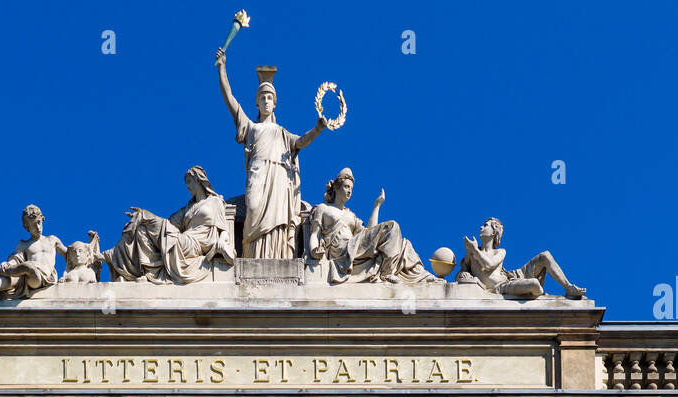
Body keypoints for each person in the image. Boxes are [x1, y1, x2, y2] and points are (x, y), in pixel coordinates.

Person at [216, 48, 326, 258]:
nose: (266, 101)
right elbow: (230, 99)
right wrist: (222, 68)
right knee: (253, 207)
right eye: (263, 98)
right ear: (257, 103)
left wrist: (317, 129)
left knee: (278, 220)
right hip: (258, 172)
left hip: (279, 176)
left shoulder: (282, 133)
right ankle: (252, 255)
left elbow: (301, 142)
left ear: (275, 104)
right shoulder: (251, 128)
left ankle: (278, 257)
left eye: (270, 98)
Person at [105, 166, 235, 284]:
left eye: (189, 181)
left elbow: (224, 230)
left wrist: (222, 241)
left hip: (194, 245)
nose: (187, 186)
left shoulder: (215, 202)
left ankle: (142, 215)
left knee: (149, 221)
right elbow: (168, 223)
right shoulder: (188, 209)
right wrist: (149, 222)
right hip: (183, 240)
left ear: (198, 180)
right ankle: (148, 273)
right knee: (142, 229)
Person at [307, 168, 438, 284]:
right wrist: (314, 250)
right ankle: (386, 273)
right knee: (392, 227)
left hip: (354, 245)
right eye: (346, 187)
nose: (349, 191)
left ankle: (420, 275)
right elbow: (314, 233)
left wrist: (377, 206)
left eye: (351, 188)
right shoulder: (323, 208)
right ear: (336, 187)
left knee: (403, 244)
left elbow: (369, 232)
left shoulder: (351, 215)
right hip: (341, 250)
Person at [459, 217, 586, 299]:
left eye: (485, 225)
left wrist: (474, 249)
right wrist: (464, 272)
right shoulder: (471, 253)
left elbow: (489, 265)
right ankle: (535, 294)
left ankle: (568, 287)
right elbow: (461, 272)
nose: (481, 227)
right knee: (534, 284)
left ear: (494, 232)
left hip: (512, 278)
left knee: (545, 256)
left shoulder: (500, 251)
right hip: (501, 287)